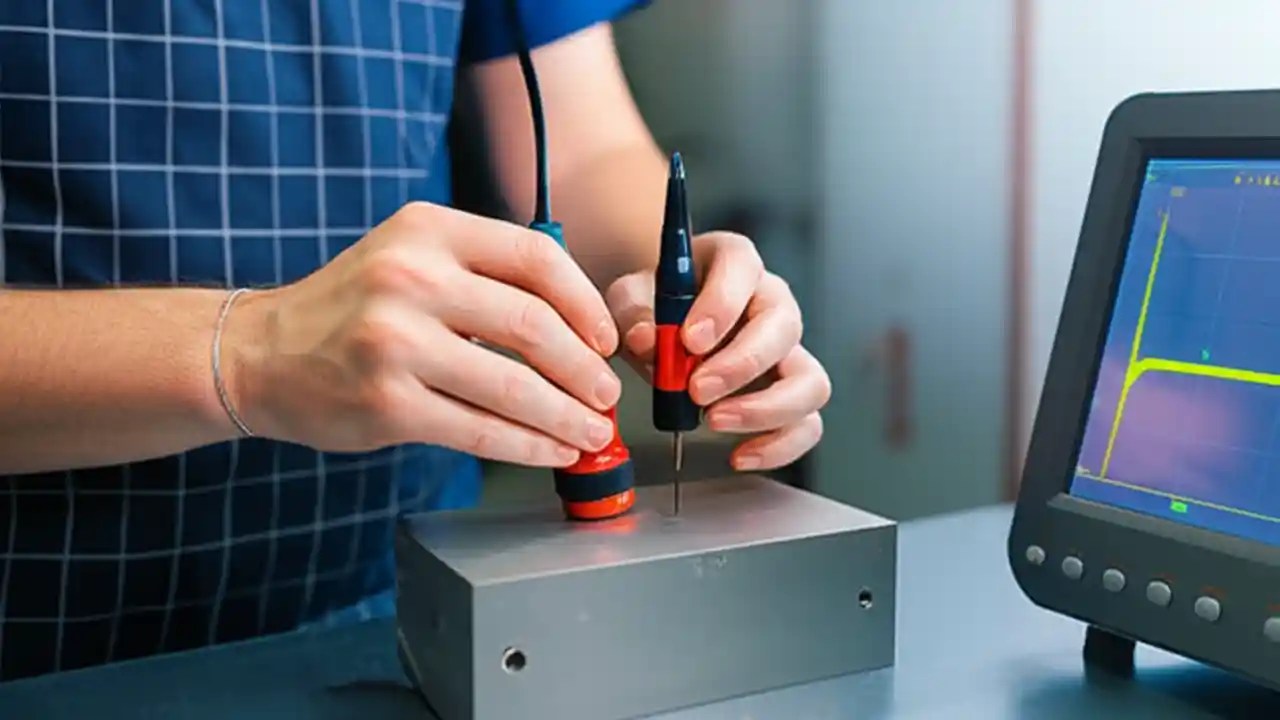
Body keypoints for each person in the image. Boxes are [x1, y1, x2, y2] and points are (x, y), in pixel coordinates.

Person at [0, 0, 831, 681]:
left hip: (405, 623)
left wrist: (697, 302)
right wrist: (247, 355)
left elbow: (584, 146)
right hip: (42, 646)